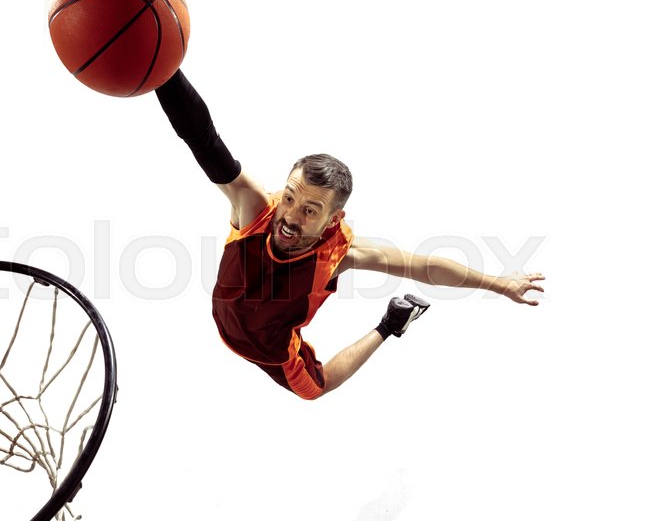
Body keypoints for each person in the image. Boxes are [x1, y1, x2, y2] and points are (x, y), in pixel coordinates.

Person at [155, 70, 545, 400]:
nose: (291, 216)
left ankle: (390, 325)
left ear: (332, 219)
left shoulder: (341, 254)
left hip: (274, 351)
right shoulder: (255, 209)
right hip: (224, 319)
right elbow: (201, 136)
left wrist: (499, 284)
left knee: (316, 389)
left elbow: (424, 267)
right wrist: (164, 69)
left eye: (310, 211)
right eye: (290, 197)